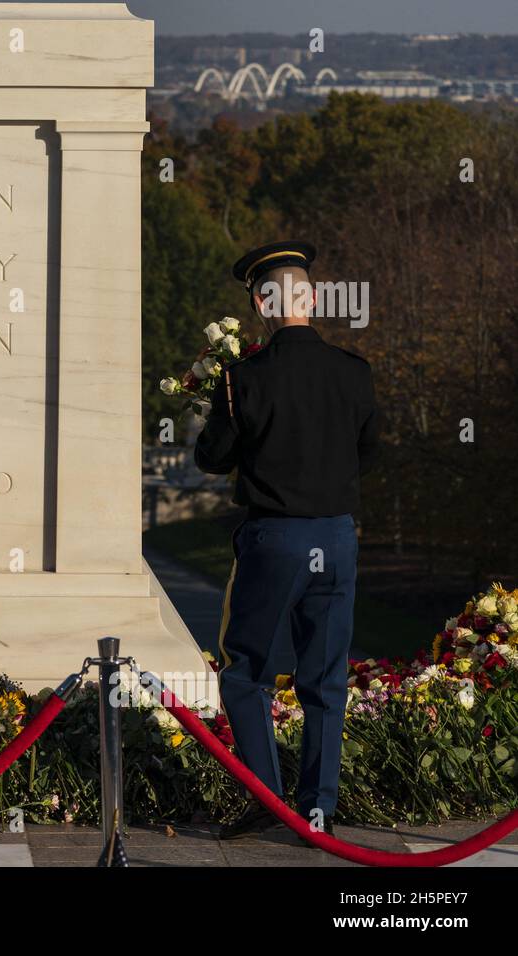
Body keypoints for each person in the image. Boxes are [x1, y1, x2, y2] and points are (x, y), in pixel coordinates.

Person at [195, 241, 380, 840]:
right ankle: (317, 809)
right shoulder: (355, 373)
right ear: (314, 298)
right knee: (324, 677)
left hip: (274, 538)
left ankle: (266, 799)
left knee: (244, 668)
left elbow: (211, 458)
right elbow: (367, 454)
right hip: (336, 536)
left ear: (260, 303)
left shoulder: (242, 377)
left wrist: (217, 410)